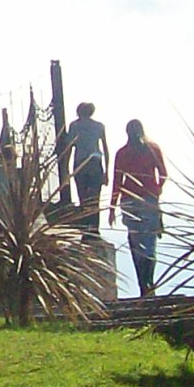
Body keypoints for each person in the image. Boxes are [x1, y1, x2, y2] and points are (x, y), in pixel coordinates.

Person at [110, 119, 169, 296]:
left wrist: (112, 207)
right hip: (149, 199)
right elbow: (163, 174)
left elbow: (117, 181)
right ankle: (149, 283)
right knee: (150, 242)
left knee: (135, 243)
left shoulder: (122, 153)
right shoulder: (153, 148)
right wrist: (157, 189)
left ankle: (143, 285)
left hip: (129, 200)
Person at [63, 102, 109, 234]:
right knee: (95, 198)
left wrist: (66, 169)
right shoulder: (99, 126)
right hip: (96, 162)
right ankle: (95, 229)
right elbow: (105, 149)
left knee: (82, 197)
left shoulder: (74, 126)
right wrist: (106, 171)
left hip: (80, 163)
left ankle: (86, 230)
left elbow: (69, 148)